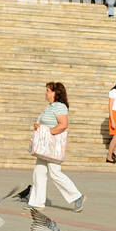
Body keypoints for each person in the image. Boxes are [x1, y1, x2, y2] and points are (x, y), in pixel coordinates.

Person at [29, 81, 84, 211]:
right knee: (39, 171)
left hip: (51, 145)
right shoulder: (50, 106)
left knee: (55, 173)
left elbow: (63, 124)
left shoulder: (59, 106)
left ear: (55, 93)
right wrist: (39, 127)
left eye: (48, 90)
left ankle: (77, 197)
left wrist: (47, 132)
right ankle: (37, 202)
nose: (46, 93)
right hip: (45, 146)